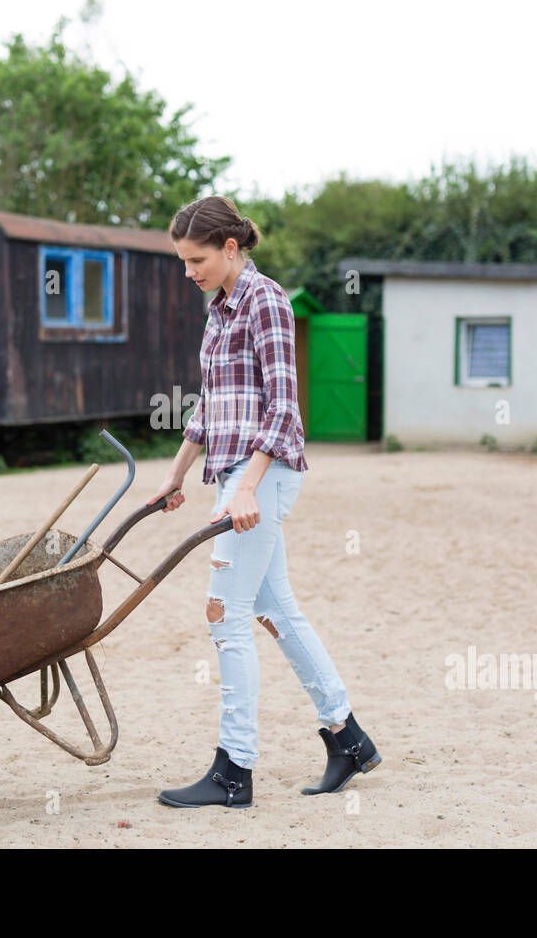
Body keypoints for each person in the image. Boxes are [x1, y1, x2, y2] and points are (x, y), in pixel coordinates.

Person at [145, 195, 381, 809]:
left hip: (261, 477)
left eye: (196, 258)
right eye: (181, 261)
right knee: (275, 609)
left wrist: (246, 486)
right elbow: (211, 403)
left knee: (225, 614)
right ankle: (347, 736)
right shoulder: (218, 310)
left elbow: (283, 407)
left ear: (230, 248)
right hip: (234, 475)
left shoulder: (266, 301)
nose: (188, 271)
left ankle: (233, 771)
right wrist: (174, 477)